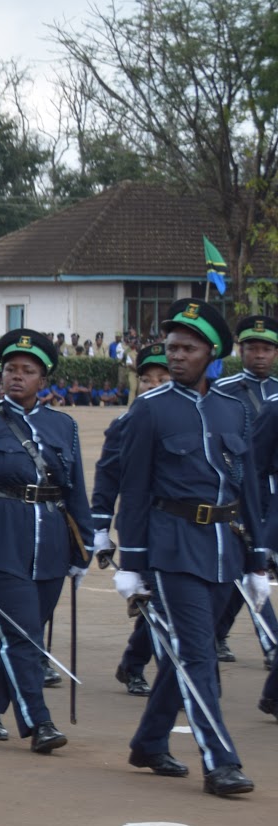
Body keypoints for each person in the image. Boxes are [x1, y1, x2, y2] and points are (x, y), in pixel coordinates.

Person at [115, 299, 260, 796]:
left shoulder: (234, 410)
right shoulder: (150, 410)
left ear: (212, 353)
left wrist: (259, 558)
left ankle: (149, 742)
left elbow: (249, 490)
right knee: (199, 654)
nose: (176, 356)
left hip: (226, 547)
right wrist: (130, 564)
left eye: (188, 348)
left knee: (187, 654)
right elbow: (133, 492)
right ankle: (220, 762)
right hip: (172, 548)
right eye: (172, 347)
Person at [0, 330, 92, 753]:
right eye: (10, 369)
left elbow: (76, 491)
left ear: (44, 378)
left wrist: (83, 547)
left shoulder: (62, 426)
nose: (17, 377)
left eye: (27, 370)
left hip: (50, 541)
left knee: (21, 633)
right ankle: (38, 721)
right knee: (24, 634)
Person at [91, 344, 169, 696]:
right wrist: (100, 532)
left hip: (184, 527)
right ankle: (160, 673)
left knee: (165, 601)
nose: (153, 385)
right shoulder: (125, 423)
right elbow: (108, 478)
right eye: (147, 379)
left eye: (162, 378)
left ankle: (132, 663)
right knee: (159, 600)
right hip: (144, 525)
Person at [209, 314, 278, 664]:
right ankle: (272, 646)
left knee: (249, 567)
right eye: (253, 348)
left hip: (274, 496)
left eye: (267, 348)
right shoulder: (224, 390)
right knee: (253, 563)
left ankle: (217, 632)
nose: (260, 355)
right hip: (240, 492)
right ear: (241, 349)